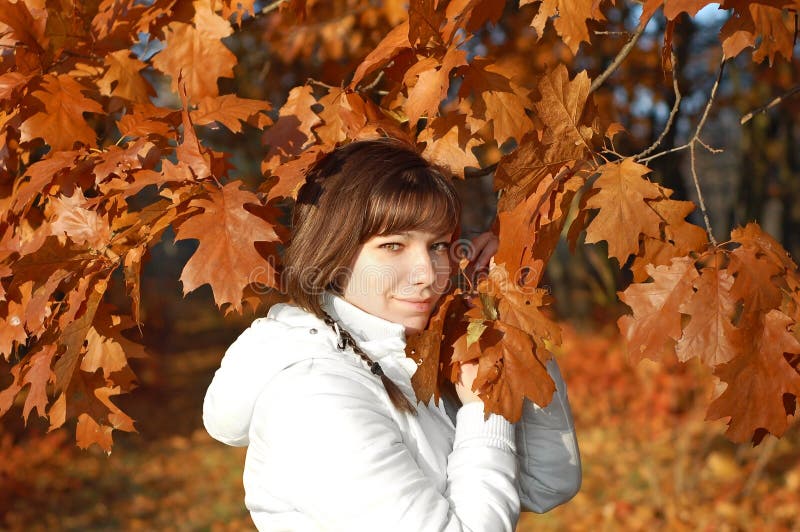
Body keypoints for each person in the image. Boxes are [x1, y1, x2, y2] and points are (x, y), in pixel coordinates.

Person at [202, 138, 581, 531]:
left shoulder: (406, 353)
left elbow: (546, 482)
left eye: (437, 245)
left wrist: (508, 327)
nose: (427, 273)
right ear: (332, 253)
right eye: (393, 245)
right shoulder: (315, 397)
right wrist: (488, 410)